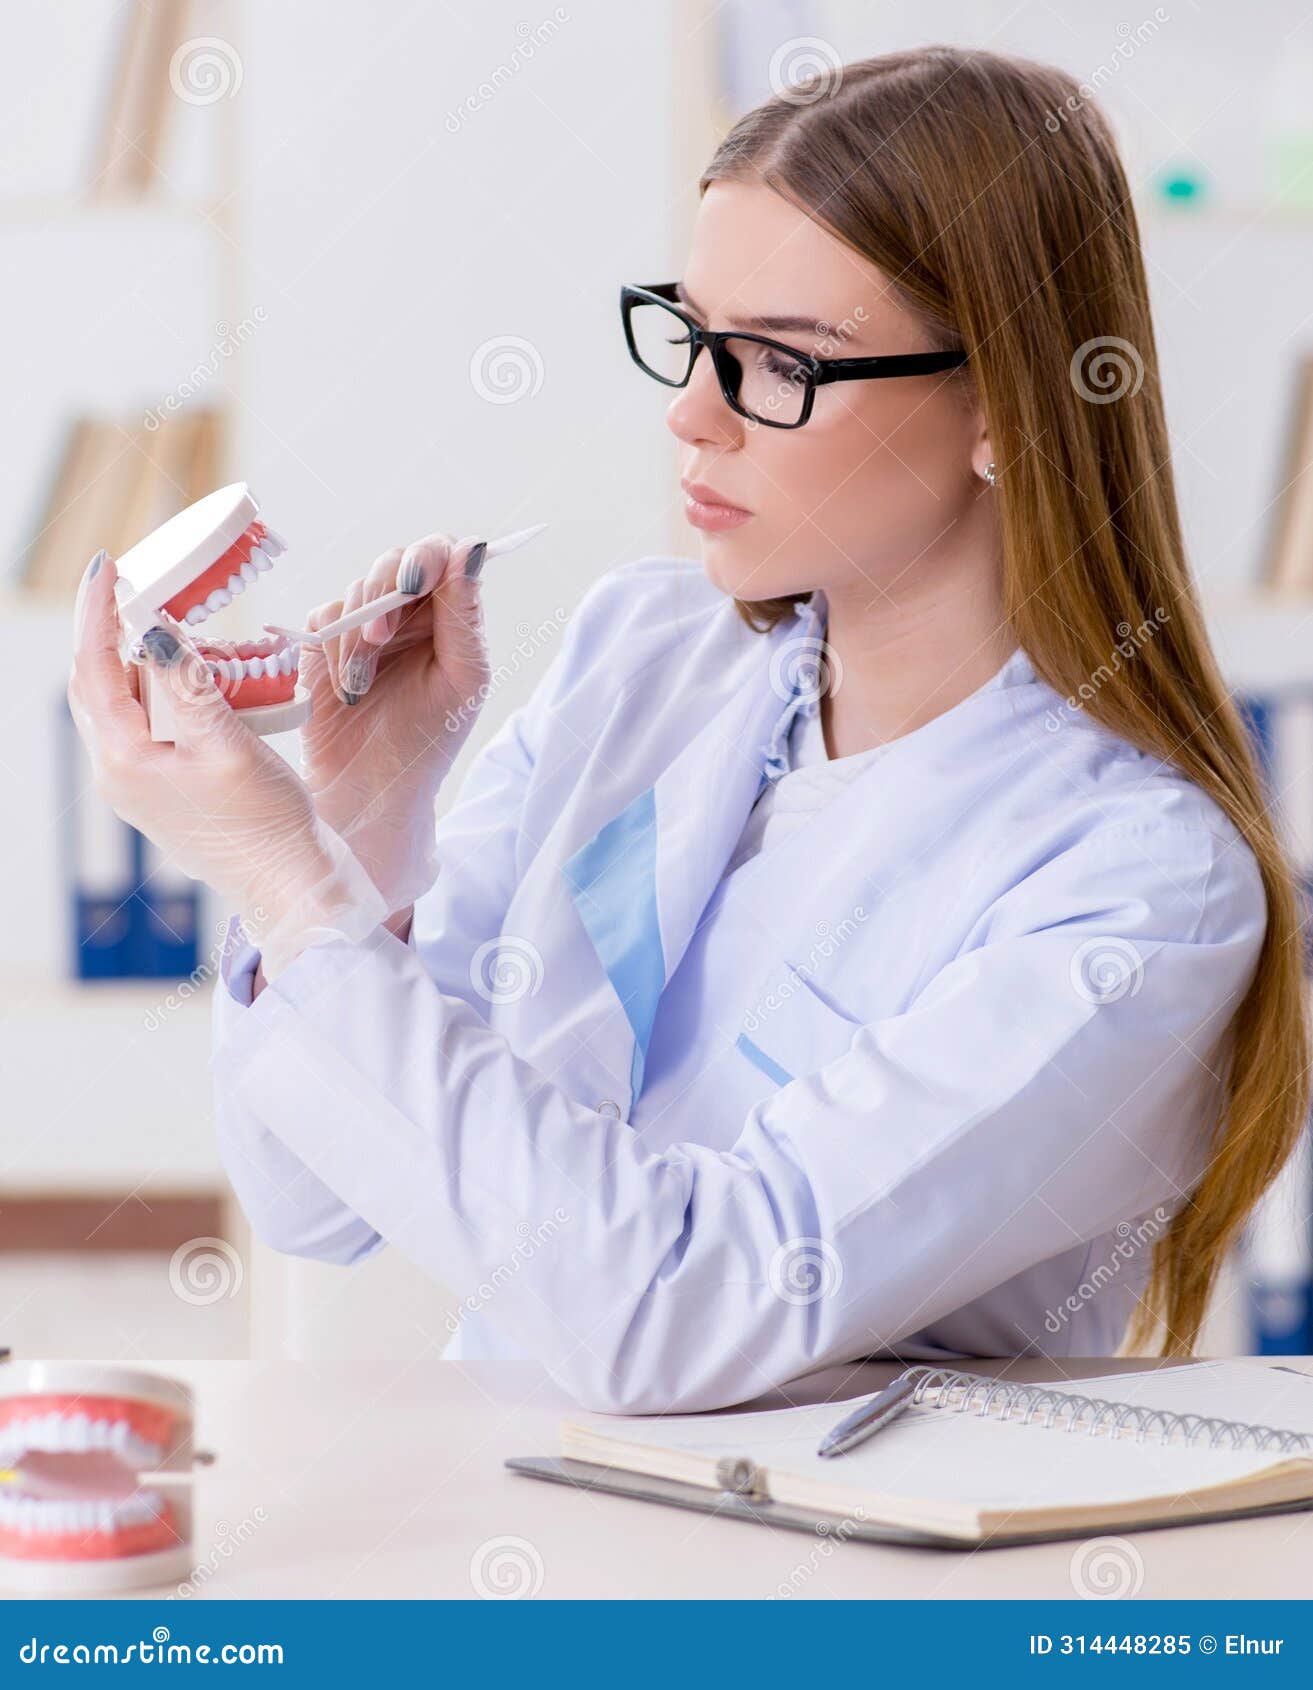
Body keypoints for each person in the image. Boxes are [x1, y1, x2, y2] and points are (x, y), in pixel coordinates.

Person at [68, 45, 1308, 1413]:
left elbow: (671, 1311)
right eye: (694, 333)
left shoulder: (1134, 887)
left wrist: (286, 885)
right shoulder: (648, 653)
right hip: (512, 1491)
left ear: (1005, 407)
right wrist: (368, 825)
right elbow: (312, 1191)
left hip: (830, 1583)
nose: (692, 414)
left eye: (780, 361)